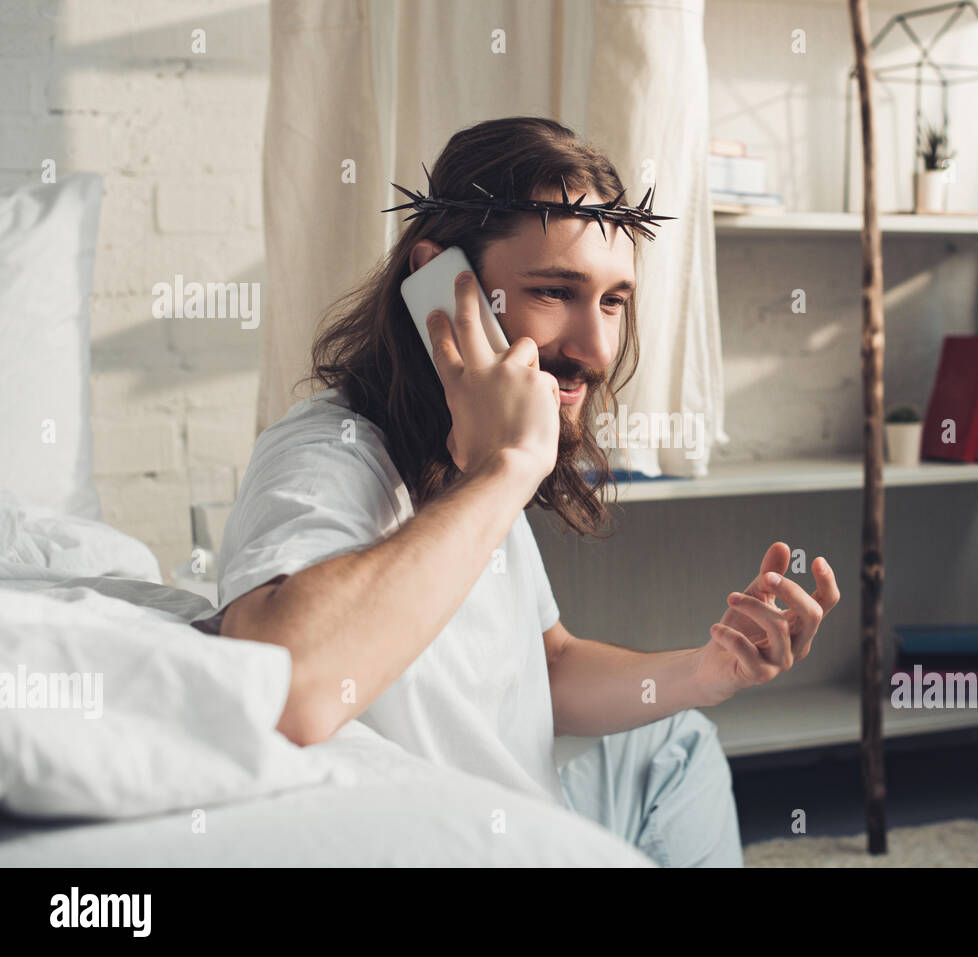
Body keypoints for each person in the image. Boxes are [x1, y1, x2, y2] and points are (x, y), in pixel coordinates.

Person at [198, 116, 839, 867]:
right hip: (463, 837)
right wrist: (504, 471)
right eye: (556, 291)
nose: (598, 348)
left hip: (530, 804)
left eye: (612, 300)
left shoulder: (472, 442)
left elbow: (551, 665)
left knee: (677, 736)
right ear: (437, 281)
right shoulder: (329, 455)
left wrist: (709, 668)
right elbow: (281, 689)